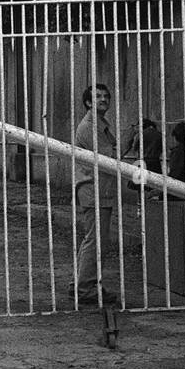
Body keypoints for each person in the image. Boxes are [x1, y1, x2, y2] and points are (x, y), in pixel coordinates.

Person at [73, 83, 120, 306]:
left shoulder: (100, 124)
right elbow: (108, 157)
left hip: (99, 188)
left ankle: (81, 283)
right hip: (94, 189)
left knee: (92, 239)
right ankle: (85, 289)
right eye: (98, 97)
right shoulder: (90, 127)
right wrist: (130, 139)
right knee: (96, 240)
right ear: (88, 102)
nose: (103, 99)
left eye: (106, 96)